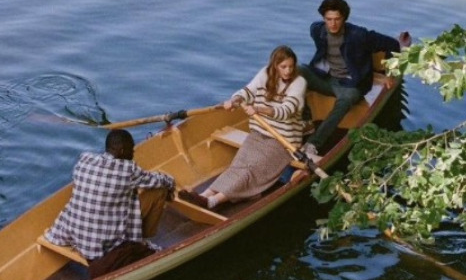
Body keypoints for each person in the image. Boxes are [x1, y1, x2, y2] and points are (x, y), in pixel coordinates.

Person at [180, 45, 307, 210]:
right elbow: (248, 91)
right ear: (275, 66)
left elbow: (285, 111)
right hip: (259, 132)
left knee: (251, 170)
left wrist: (259, 109)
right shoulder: (265, 74)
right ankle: (203, 196)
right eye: (283, 67)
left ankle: (214, 201)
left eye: (291, 66)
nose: (288, 71)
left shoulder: (299, 82)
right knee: (237, 166)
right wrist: (235, 100)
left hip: (283, 140)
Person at [44, 129, 175, 266]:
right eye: (132, 150)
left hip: (73, 234)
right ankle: (143, 240)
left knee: (127, 194)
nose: (133, 154)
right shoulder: (128, 170)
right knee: (160, 190)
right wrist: (171, 186)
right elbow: (158, 181)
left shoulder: (84, 160)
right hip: (99, 247)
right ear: (123, 151)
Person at [299, 0, 411, 157]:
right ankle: (305, 118)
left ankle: (313, 144)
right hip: (326, 78)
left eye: (337, 19)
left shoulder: (359, 35)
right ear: (323, 18)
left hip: (350, 85)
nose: (332, 24)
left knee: (344, 101)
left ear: (344, 18)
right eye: (328, 19)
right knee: (298, 69)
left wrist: (388, 72)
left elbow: (392, 45)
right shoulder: (317, 30)